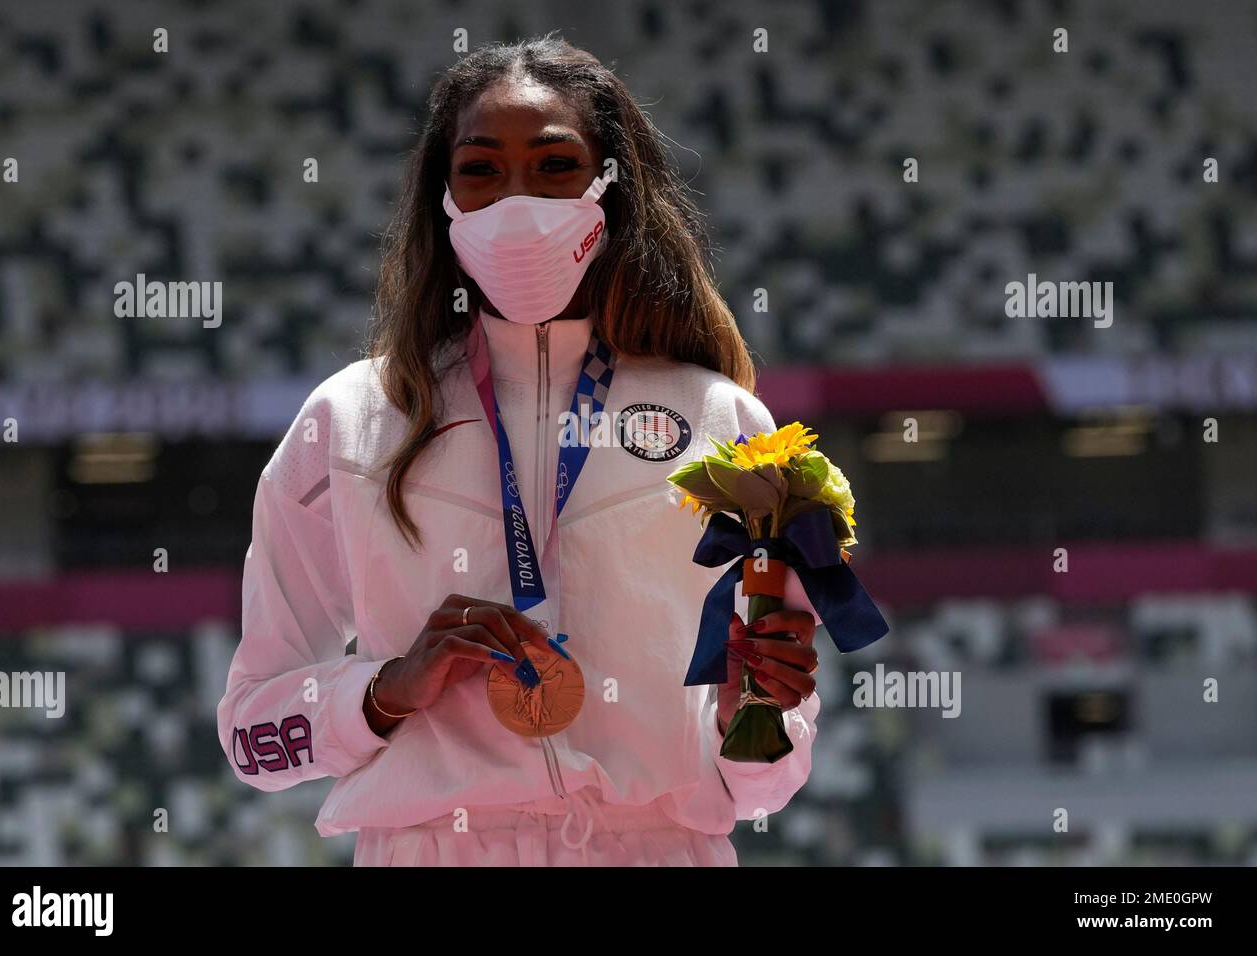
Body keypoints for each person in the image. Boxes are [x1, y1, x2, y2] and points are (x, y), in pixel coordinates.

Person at [217, 33, 820, 867]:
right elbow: (252, 733)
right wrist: (384, 693)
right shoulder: (353, 419)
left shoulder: (726, 424)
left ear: (612, 184)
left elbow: (762, 786)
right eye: (481, 171)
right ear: (445, 197)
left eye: (554, 166)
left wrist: (744, 714)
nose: (516, 202)